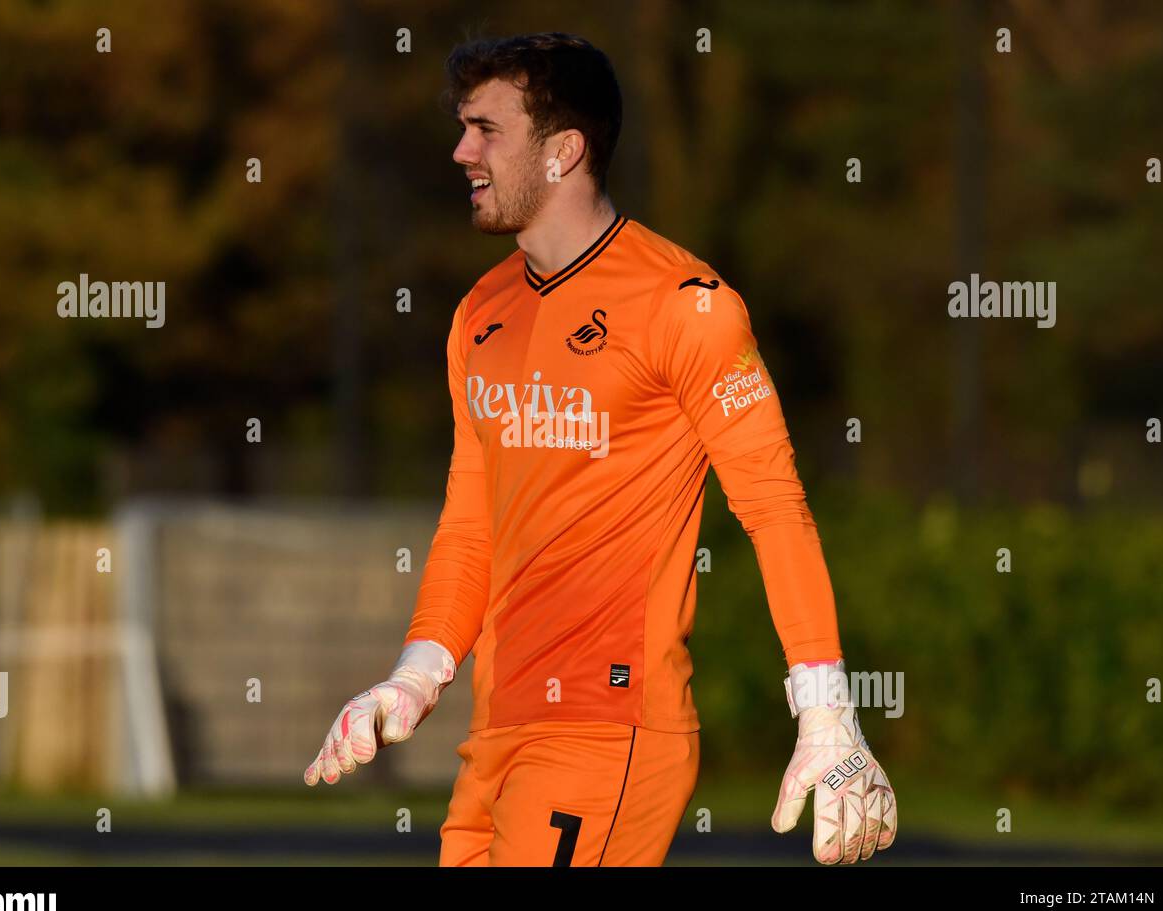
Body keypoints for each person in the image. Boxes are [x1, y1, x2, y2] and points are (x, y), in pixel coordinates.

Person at [305, 32, 896, 867]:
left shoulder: (687, 306)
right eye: (463, 127)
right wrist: (416, 672)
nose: (460, 150)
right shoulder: (479, 312)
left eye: (486, 129)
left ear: (564, 151)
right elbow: (472, 524)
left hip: (608, 730)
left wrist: (827, 710)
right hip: (497, 729)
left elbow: (775, 511)